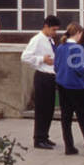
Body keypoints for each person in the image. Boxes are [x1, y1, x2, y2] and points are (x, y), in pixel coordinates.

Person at [54, 22, 84, 156]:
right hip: (75, 85)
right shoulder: (77, 48)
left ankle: (69, 146)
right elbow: (78, 67)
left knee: (66, 117)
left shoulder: (60, 47)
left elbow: (56, 66)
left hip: (62, 84)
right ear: (78, 33)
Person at [20, 15, 61, 150]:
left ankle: (45, 136)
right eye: (53, 30)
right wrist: (41, 59)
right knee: (42, 109)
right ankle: (38, 139)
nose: (55, 33)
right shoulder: (37, 39)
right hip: (42, 76)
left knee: (49, 109)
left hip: (51, 76)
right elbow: (25, 57)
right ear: (46, 26)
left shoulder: (50, 40)